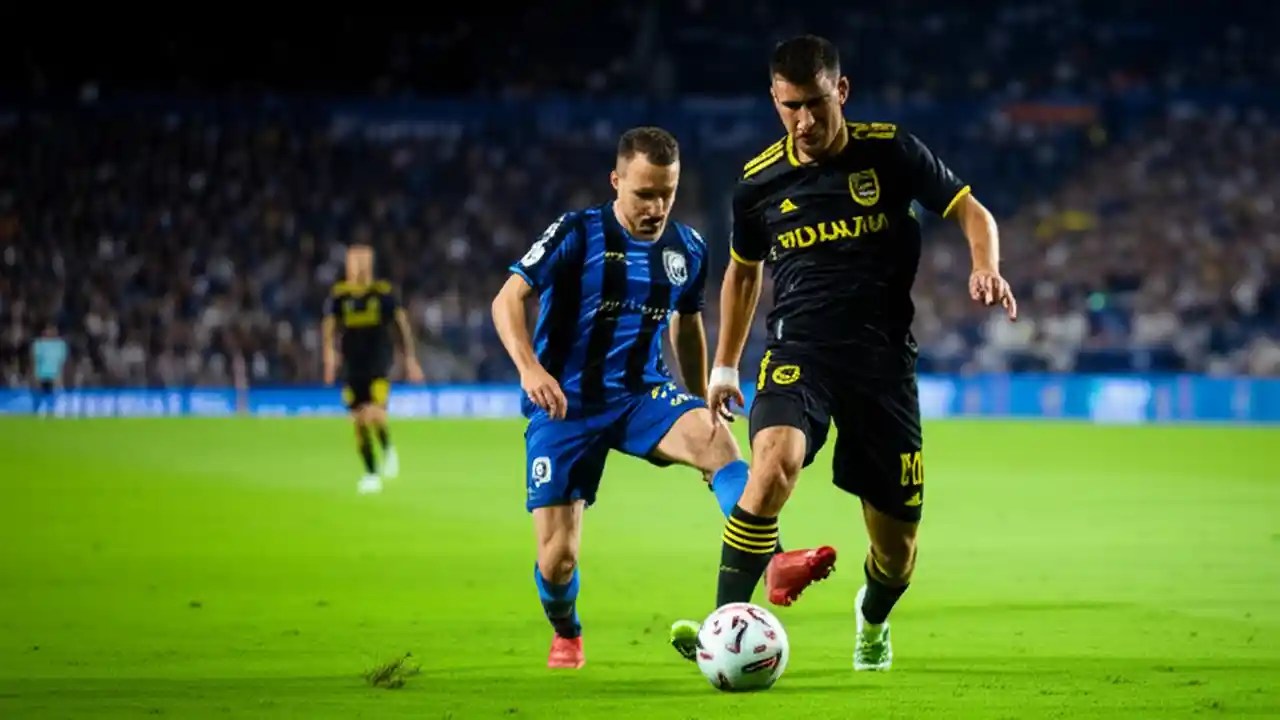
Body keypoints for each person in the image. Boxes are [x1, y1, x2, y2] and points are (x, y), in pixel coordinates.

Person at [676, 34, 1018, 672]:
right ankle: (722, 629)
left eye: (815, 104)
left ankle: (873, 616)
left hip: (883, 367)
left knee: (897, 554)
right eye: (789, 107)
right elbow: (743, 272)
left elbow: (973, 212)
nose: (803, 121)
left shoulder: (891, 151)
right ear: (774, 101)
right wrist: (724, 366)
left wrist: (985, 266)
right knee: (773, 465)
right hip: (800, 351)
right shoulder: (756, 184)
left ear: (842, 91)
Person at [492, 127, 814, 670]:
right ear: (616, 182)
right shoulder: (577, 233)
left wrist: (701, 392)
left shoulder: (687, 249)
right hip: (566, 406)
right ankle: (567, 630)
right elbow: (507, 299)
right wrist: (530, 369)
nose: (657, 207)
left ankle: (776, 560)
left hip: (642, 394)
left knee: (718, 442)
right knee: (558, 561)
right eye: (644, 194)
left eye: (667, 193)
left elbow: (687, 324)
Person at [322, 244, 424, 494]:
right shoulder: (340, 296)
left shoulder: (382, 294)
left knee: (373, 413)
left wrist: (410, 359)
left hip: (378, 362)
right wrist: (329, 356)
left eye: (362, 262)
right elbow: (329, 327)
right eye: (353, 262)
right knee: (358, 422)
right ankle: (371, 473)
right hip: (352, 365)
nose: (357, 267)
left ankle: (387, 449)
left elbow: (401, 324)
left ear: (369, 265)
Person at [30, 323, 67, 417]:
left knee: (52, 402)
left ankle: (50, 417)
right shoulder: (38, 344)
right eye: (49, 329)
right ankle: (35, 417)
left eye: (53, 330)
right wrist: (35, 376)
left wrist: (60, 377)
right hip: (41, 376)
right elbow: (35, 362)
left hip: (54, 377)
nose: (51, 332)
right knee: (37, 401)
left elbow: (61, 363)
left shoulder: (61, 345)